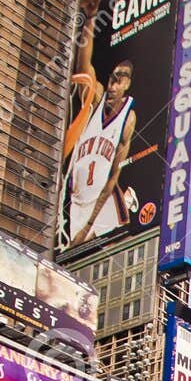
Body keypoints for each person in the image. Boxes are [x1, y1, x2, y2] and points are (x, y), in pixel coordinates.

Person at [63, 58, 136, 248]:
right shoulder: (95, 99)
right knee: (74, 258)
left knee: (117, 245)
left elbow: (113, 177)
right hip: (77, 200)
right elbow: (84, 66)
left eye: (119, 80)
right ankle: (127, 201)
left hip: (102, 199)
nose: (112, 85)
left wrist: (88, 227)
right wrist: (88, 27)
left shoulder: (127, 117)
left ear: (127, 84)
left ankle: (125, 201)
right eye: (112, 78)